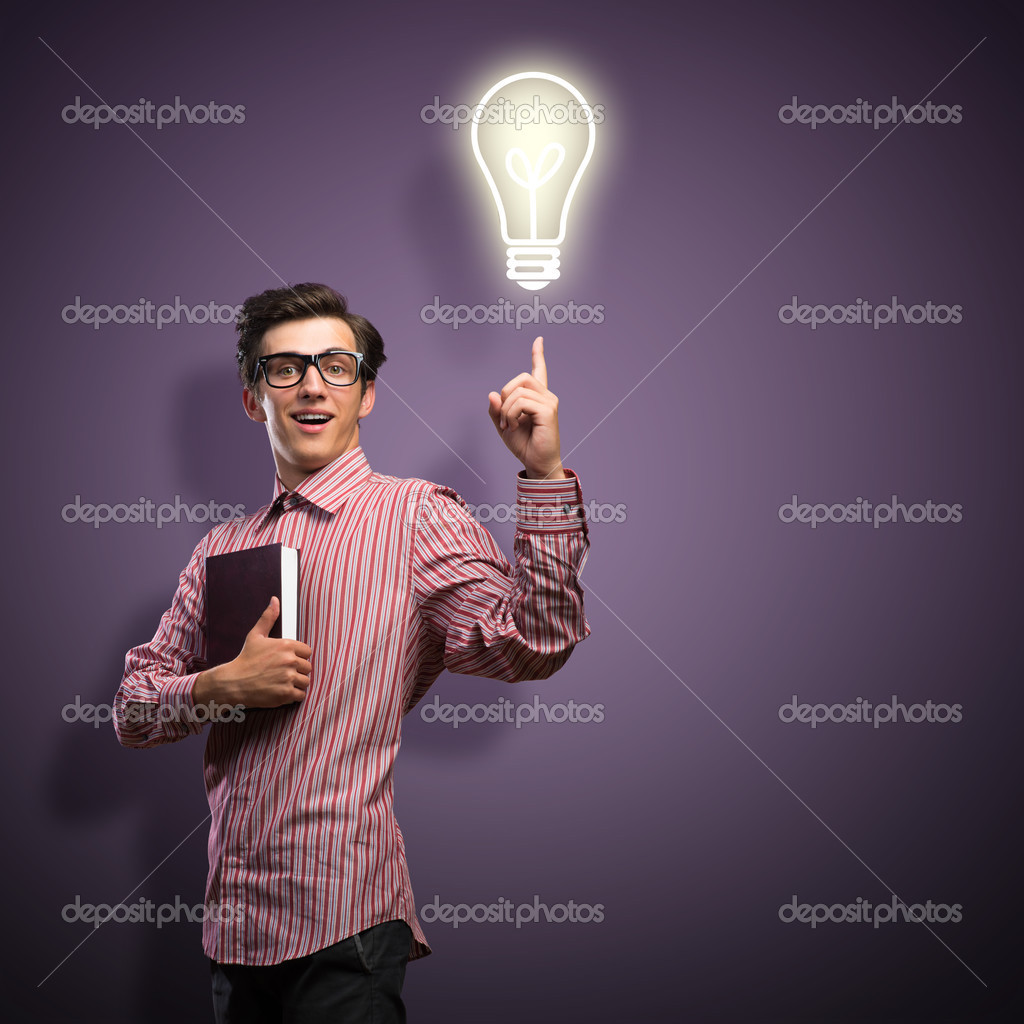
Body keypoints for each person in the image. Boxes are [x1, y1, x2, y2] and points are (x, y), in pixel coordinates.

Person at [113, 282, 590, 1023]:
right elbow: (132, 711)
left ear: (365, 394)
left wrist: (544, 477)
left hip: (345, 924)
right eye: (285, 368)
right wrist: (218, 686)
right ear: (253, 399)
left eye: (336, 366)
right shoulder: (219, 549)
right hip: (233, 930)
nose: (312, 385)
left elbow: (535, 643)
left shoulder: (417, 516)